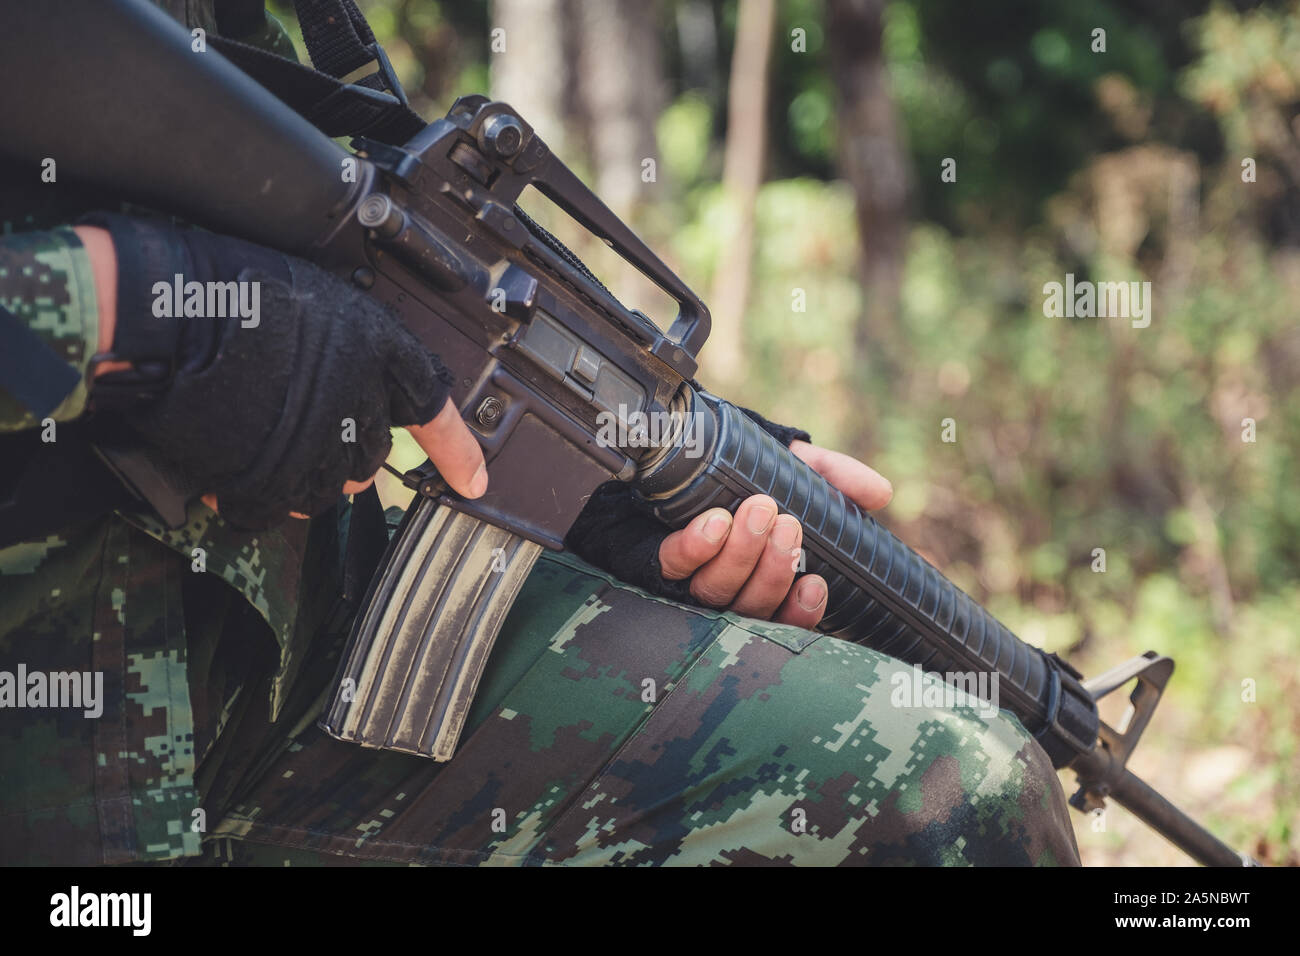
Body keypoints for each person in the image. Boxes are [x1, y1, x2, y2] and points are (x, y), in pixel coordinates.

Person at [0, 0, 1080, 866]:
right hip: (51, 743)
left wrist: (603, 470)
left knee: (948, 780)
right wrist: (127, 310)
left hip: (306, 652)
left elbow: (355, 243)